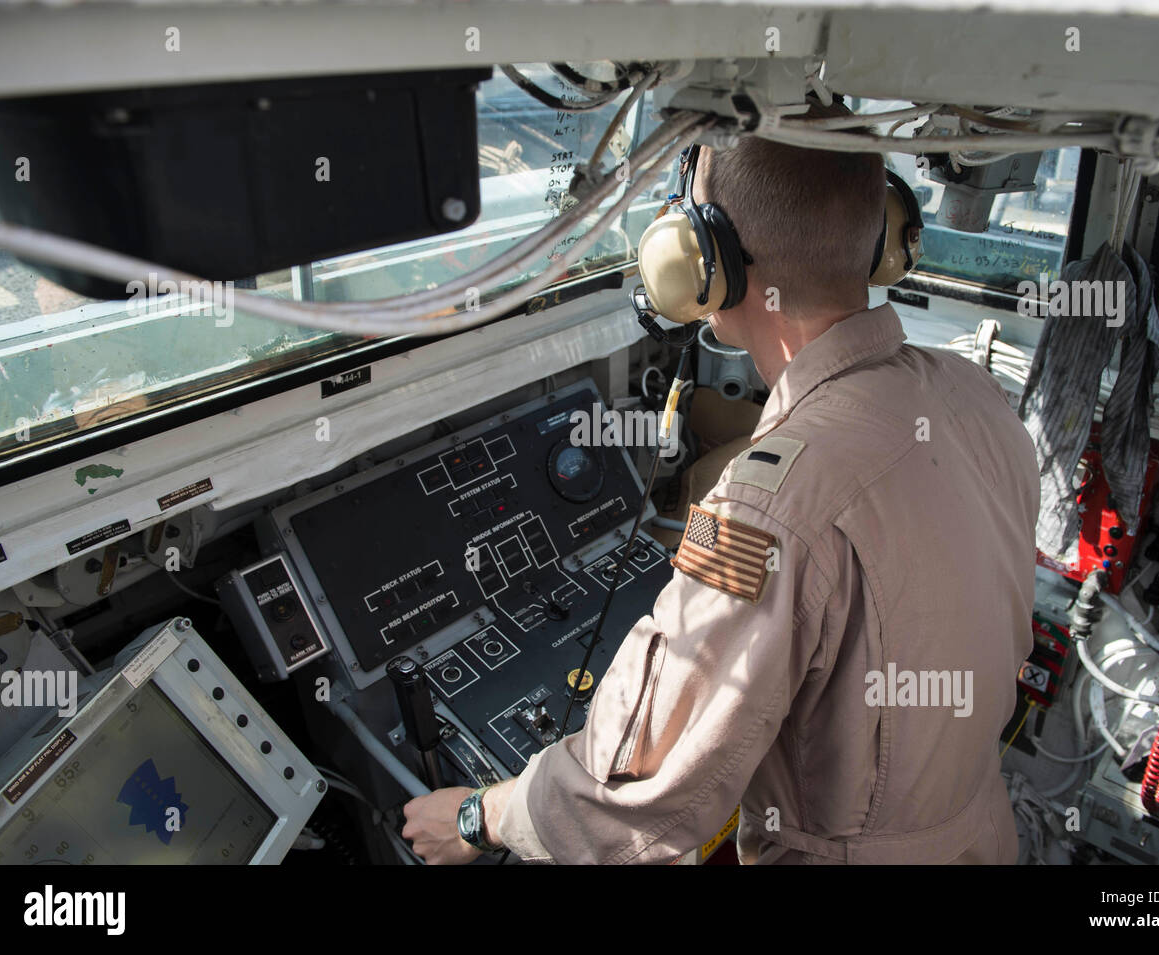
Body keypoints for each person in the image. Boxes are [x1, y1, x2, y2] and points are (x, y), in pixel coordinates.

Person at [401, 129, 1041, 865]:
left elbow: (634, 796)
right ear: (881, 237)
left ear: (709, 266)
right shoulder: (971, 394)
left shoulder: (766, 506)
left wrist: (480, 817)